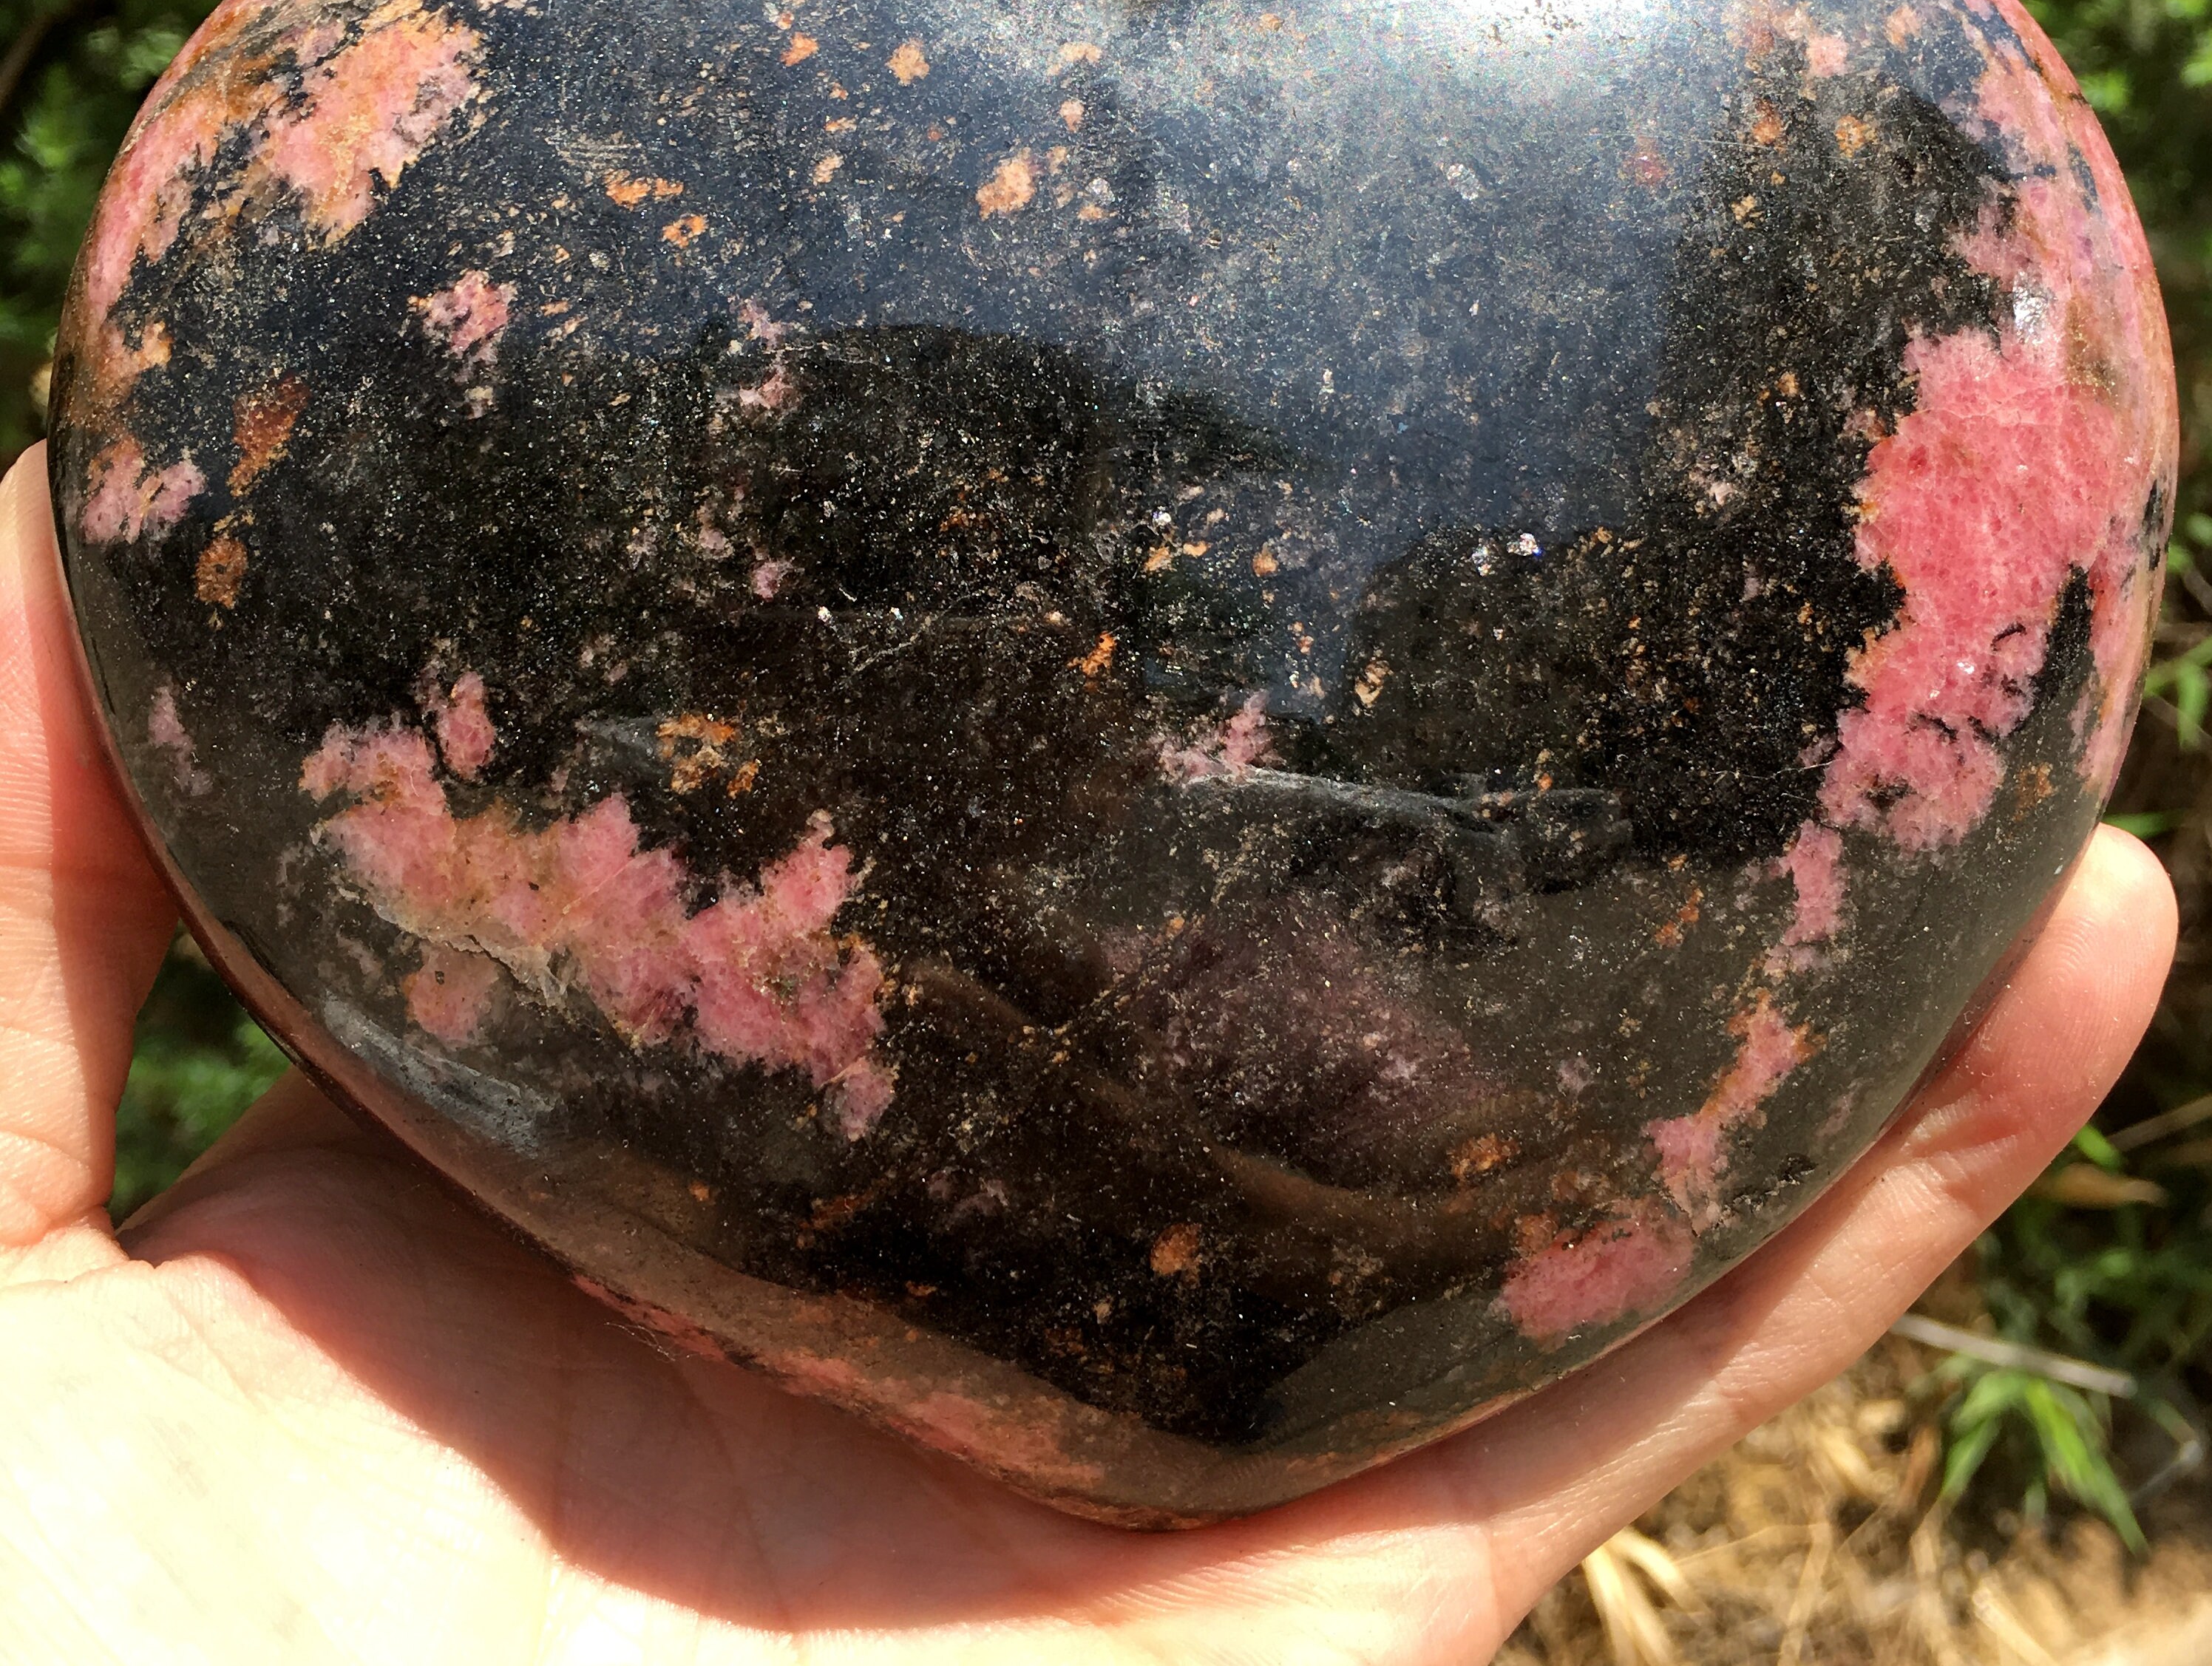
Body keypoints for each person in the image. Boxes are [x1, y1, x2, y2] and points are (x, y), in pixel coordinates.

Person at [0, 444, 2177, 1665]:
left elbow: (1437, 1183)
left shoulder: (1275, 960)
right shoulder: (626, 875)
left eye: (1022, 667)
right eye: (887, 662)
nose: (983, 709)